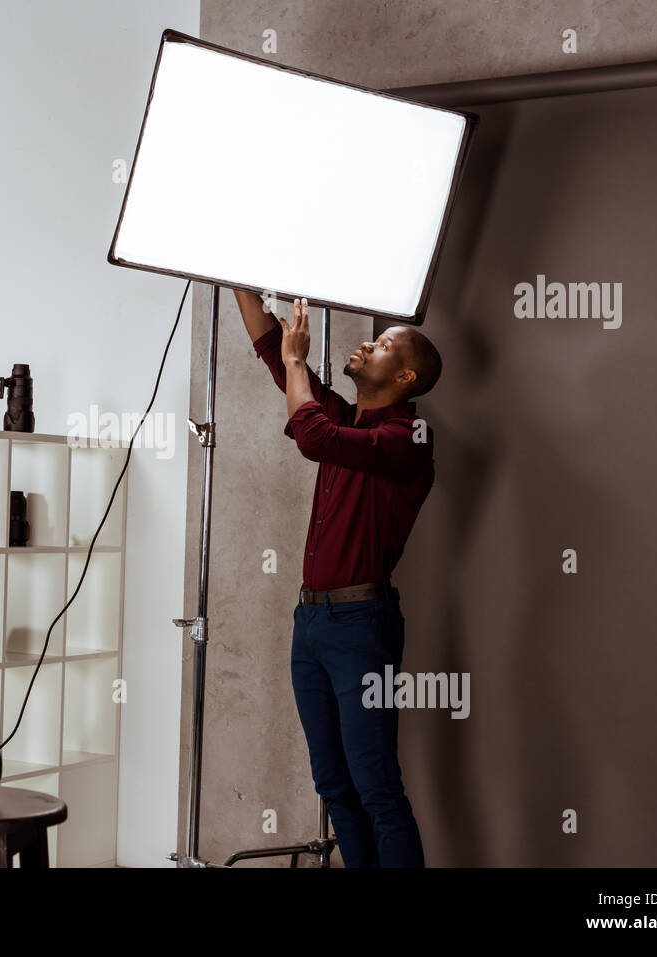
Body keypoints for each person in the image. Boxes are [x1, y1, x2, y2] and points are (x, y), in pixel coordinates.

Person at [234, 288, 442, 868]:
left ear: (403, 377)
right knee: (334, 785)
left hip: (361, 625)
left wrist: (300, 362)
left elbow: (311, 437)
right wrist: (235, 278)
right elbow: (276, 352)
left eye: (380, 345)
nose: (365, 344)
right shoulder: (350, 419)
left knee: (377, 789)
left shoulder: (408, 442)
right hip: (313, 623)